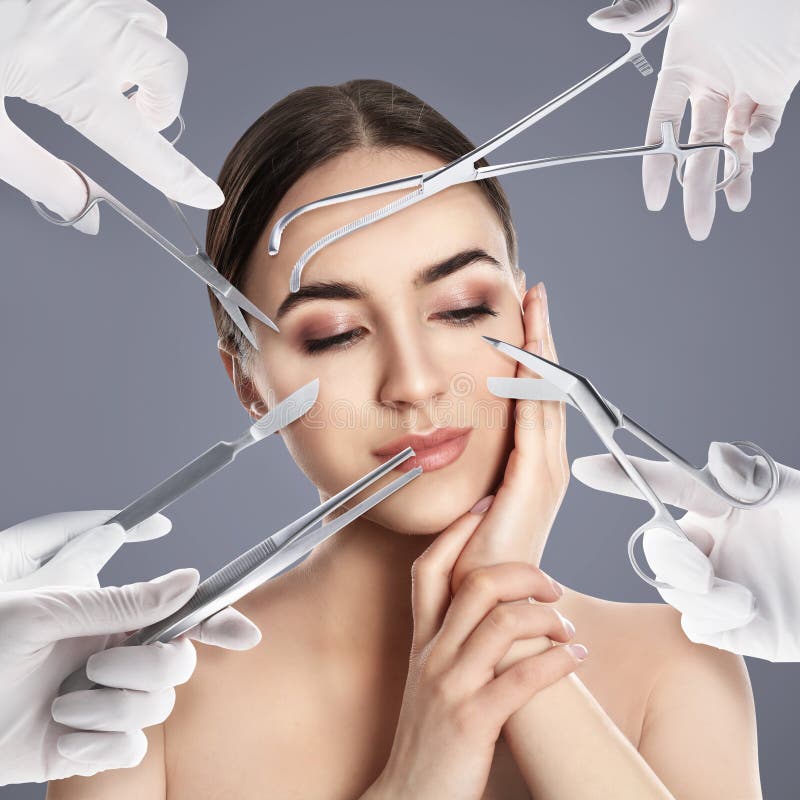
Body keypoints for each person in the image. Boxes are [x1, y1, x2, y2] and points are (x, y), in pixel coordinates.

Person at [48, 79, 762, 800]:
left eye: (460, 309)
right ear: (248, 382)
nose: (415, 383)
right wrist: (426, 769)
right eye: (335, 334)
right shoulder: (137, 709)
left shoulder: (680, 666)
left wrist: (509, 642)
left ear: (528, 319)